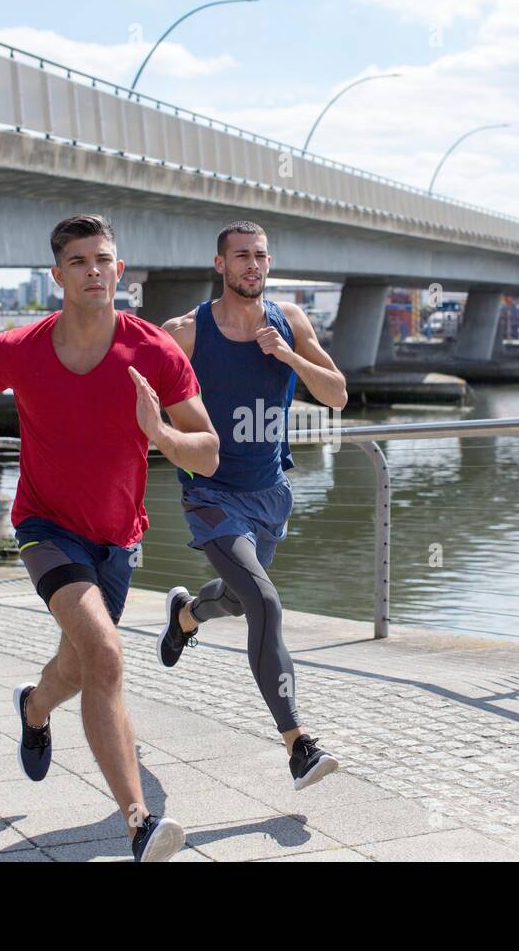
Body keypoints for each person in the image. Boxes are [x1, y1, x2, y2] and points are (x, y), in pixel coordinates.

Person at [0, 214, 219, 862]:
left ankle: (33, 708)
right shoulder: (19, 349)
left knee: (77, 668)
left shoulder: (153, 351)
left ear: (120, 271)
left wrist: (161, 435)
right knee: (106, 655)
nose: (93, 270)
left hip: (117, 541)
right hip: (44, 526)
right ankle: (139, 824)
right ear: (57, 276)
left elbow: (207, 452)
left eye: (103, 259)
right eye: (78, 261)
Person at [157, 220, 349, 791]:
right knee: (264, 600)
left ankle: (186, 615)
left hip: (270, 493)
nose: (252, 265)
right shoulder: (187, 332)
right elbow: (136, 397)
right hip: (211, 493)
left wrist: (289, 358)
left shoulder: (289, 322)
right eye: (240, 256)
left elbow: (336, 395)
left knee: (242, 602)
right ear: (219, 264)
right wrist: (168, 441)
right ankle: (299, 745)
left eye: (260, 256)